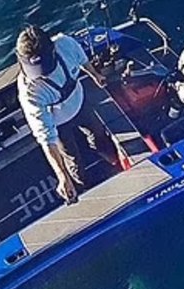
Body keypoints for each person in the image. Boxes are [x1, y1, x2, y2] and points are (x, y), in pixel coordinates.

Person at [16, 25, 118, 204]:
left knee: (98, 133)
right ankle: (83, 187)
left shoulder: (66, 44)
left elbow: (82, 59)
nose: (40, 74)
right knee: (73, 160)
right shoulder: (29, 91)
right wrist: (62, 177)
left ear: (54, 50)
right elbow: (46, 138)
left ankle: (112, 161)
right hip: (58, 123)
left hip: (80, 103)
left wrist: (95, 75)